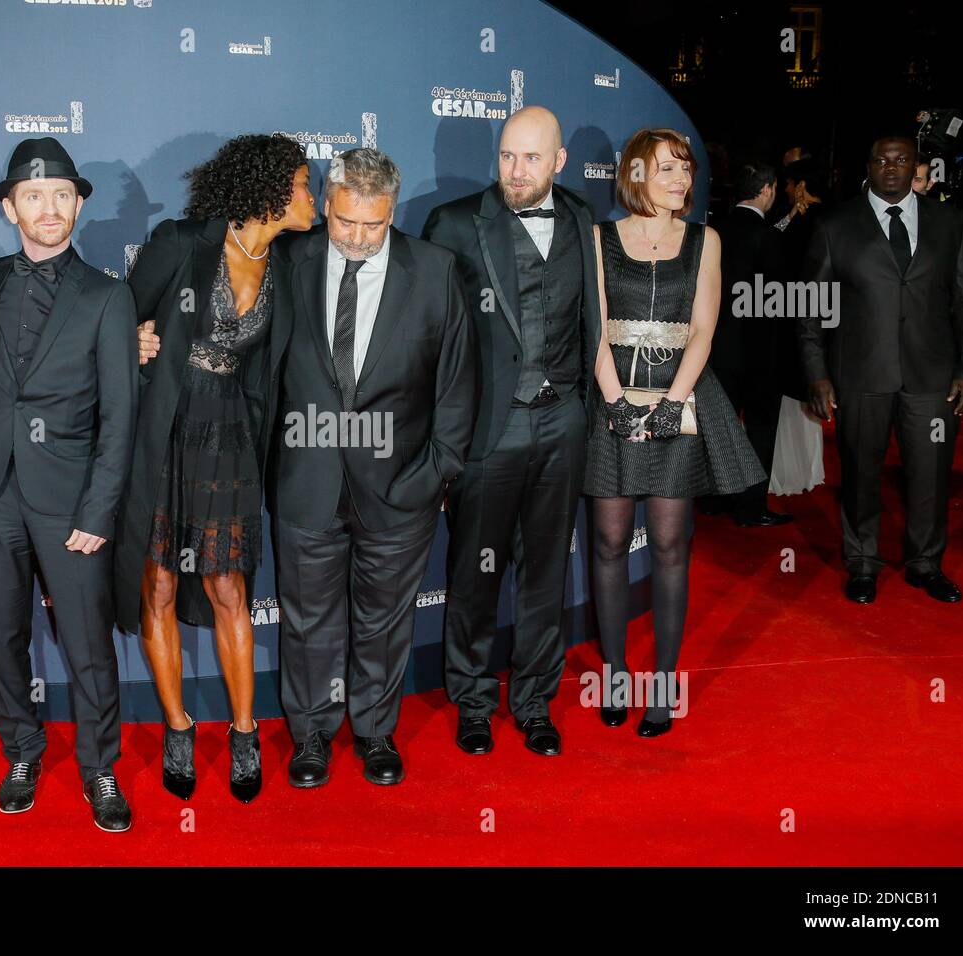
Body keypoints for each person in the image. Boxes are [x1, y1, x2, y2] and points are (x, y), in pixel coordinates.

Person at [271, 148, 477, 787]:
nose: (358, 239)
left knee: (385, 618)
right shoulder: (288, 260)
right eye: (346, 222)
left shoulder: (436, 271)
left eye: (374, 226)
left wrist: (434, 474)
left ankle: (375, 732)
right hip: (306, 480)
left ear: (393, 211)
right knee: (307, 619)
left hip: (400, 486)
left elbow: (458, 384)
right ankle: (310, 735)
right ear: (325, 204)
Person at [118, 133, 314, 803]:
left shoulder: (285, 269)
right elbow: (118, 320)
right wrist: (135, 341)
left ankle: (243, 730)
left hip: (230, 433)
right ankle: (177, 726)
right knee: (161, 584)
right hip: (163, 430)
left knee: (231, 585)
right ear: (269, 189)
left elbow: (276, 374)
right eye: (303, 184)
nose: (310, 196)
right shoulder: (181, 242)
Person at [0, 138, 139, 831]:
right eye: (33, 196)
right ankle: (22, 750)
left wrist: (99, 508)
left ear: (80, 204)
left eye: (63, 195)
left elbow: (120, 415)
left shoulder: (108, 296)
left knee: (87, 643)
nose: (50, 209)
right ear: (10, 207)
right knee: (1, 632)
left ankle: (100, 769)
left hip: (71, 503)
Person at [421, 106, 600, 757]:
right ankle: (472, 702)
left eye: (530, 158)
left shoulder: (582, 219)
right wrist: (440, 448)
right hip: (486, 433)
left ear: (559, 162)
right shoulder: (453, 224)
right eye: (505, 156)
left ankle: (533, 703)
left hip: (563, 422)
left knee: (546, 573)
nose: (515, 171)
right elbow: (428, 344)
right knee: (474, 574)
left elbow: (592, 321)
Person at [583, 129, 765, 737]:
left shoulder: (705, 240)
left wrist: (669, 405)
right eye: (666, 168)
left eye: (685, 168)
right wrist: (614, 402)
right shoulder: (600, 239)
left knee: (669, 547)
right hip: (611, 403)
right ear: (635, 173)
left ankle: (661, 686)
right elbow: (597, 328)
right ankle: (612, 674)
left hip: (679, 405)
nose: (681, 179)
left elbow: (703, 329)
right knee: (607, 545)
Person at [800, 135, 963, 604]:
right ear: (869, 165)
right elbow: (809, 308)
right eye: (881, 159)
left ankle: (926, 563)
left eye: (902, 160)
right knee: (860, 473)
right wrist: (817, 373)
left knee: (931, 474)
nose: (891, 168)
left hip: (933, 377)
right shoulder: (835, 225)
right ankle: (862, 562)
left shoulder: (952, 223)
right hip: (860, 377)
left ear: (916, 167)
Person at [705, 161, 795, 526]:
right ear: (768, 189)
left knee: (719, 428)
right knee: (759, 431)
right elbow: (780, 303)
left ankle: (715, 499)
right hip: (760, 354)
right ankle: (750, 506)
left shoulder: (713, 231)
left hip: (716, 350)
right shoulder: (771, 238)